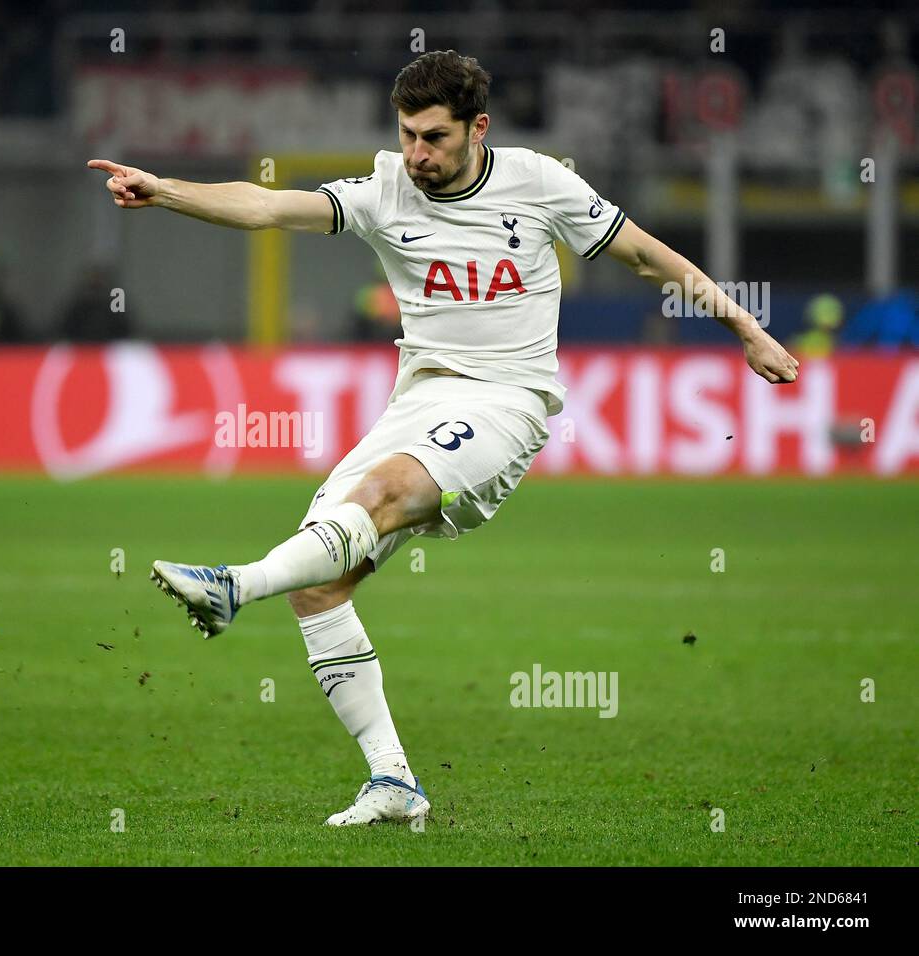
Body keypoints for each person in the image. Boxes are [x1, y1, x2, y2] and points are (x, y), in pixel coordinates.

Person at [87, 50, 799, 827]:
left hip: (507, 405)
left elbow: (643, 253)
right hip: (418, 400)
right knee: (321, 580)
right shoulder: (386, 189)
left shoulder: (539, 183)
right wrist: (164, 192)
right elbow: (267, 208)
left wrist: (744, 328)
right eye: (406, 135)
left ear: (477, 128)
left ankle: (233, 587)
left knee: (382, 493)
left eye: (433, 138)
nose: (416, 154)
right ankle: (393, 781)